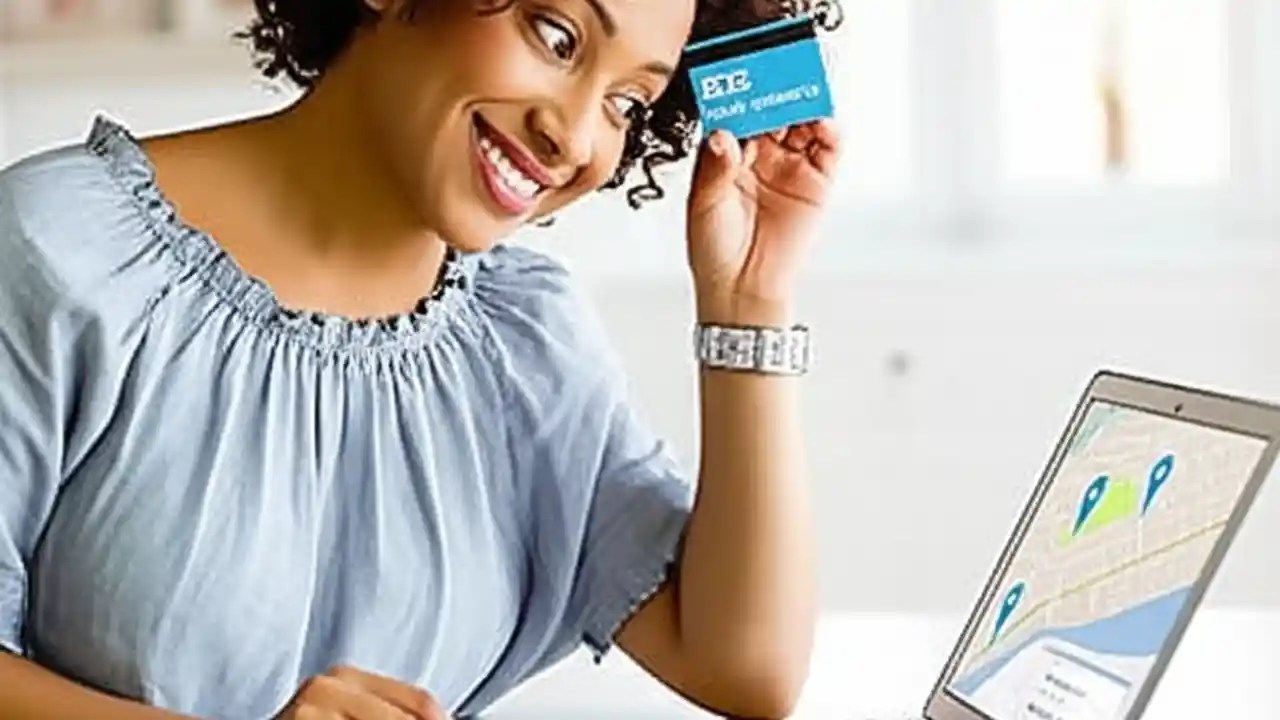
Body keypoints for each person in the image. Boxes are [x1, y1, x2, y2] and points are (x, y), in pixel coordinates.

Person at [0, 0, 842, 717]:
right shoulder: (61, 252)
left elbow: (748, 667)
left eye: (628, 102)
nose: (574, 136)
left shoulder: (526, 342)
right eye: (556, 37)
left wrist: (748, 297)